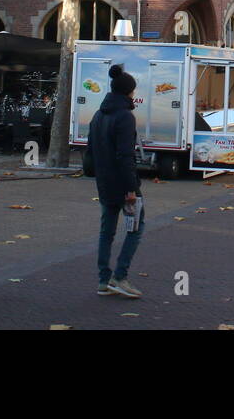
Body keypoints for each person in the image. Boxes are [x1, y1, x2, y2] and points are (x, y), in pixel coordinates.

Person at [90, 63, 144, 297]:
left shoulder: (98, 115)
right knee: (136, 229)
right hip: (123, 184)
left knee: (106, 231)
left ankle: (103, 280)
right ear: (129, 92)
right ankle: (119, 277)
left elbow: (91, 150)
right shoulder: (125, 117)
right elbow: (125, 155)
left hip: (104, 182)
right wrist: (131, 188)